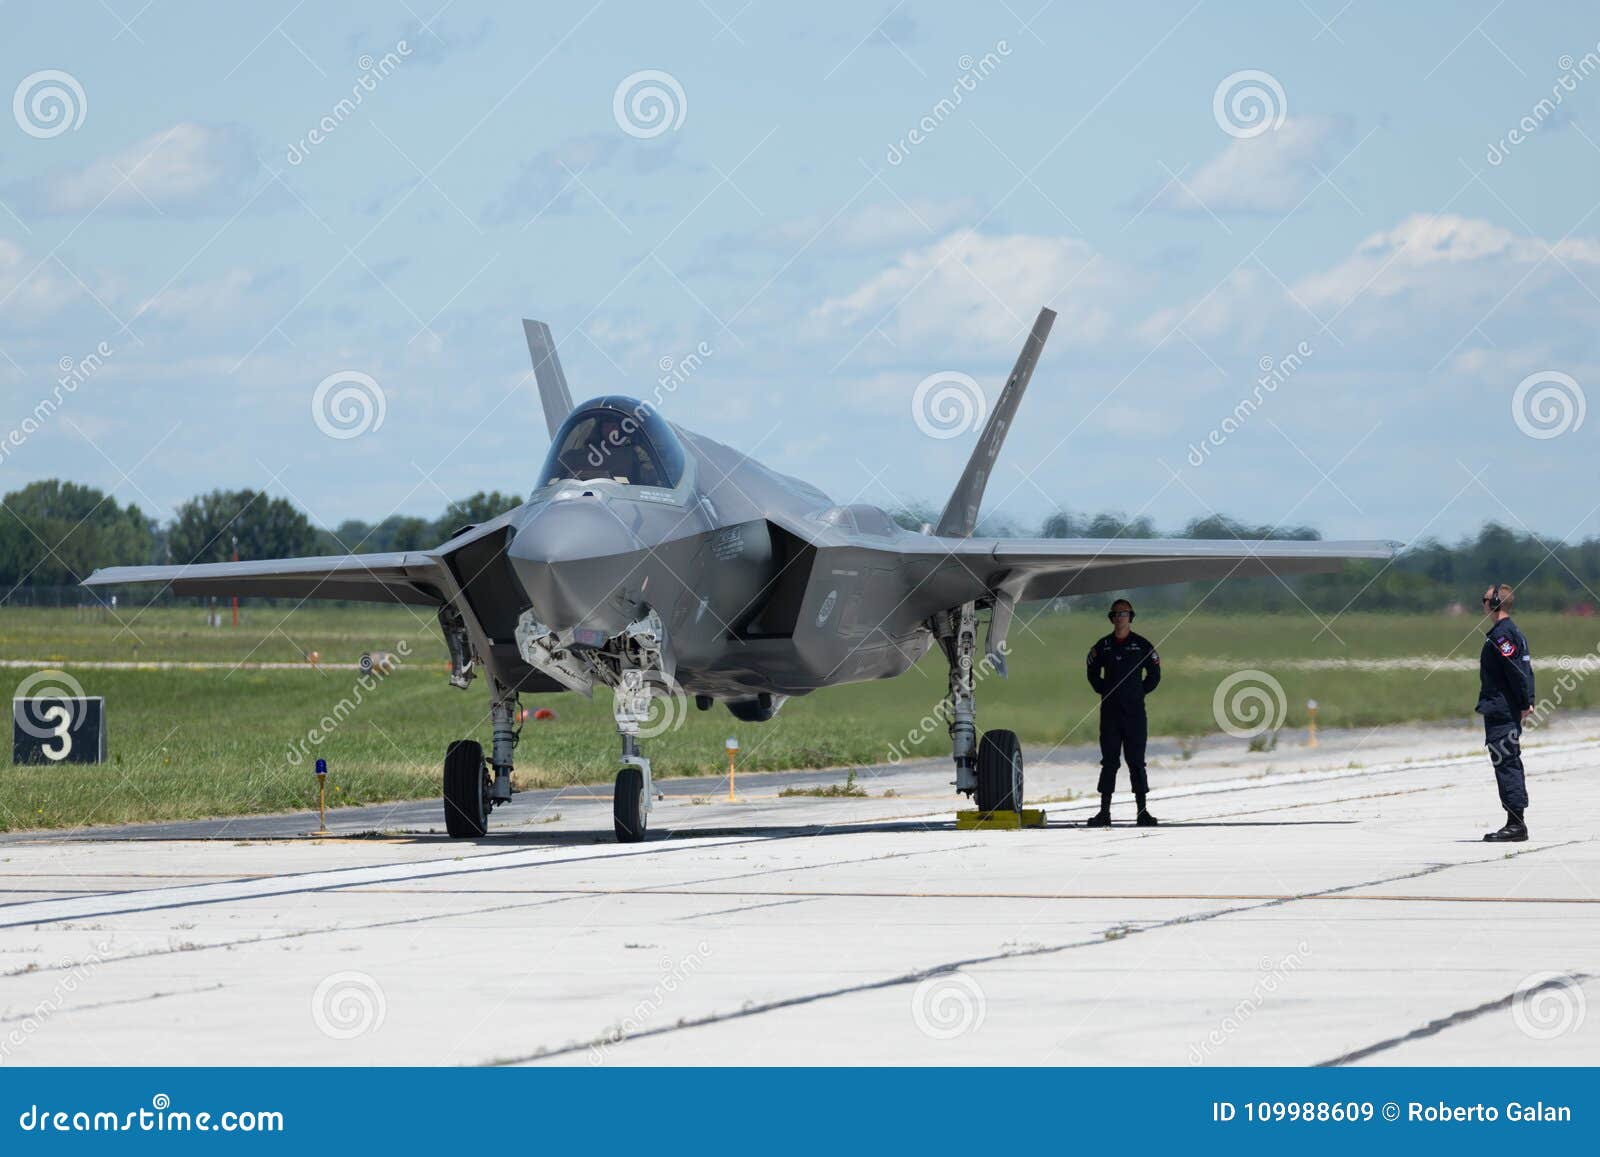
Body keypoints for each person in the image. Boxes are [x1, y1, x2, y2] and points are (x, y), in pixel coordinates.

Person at [1084, 598, 1161, 827]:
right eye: (1116, 614)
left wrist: (1138, 693)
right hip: (1110, 713)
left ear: (1131, 617)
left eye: (1124, 614)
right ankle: (1104, 812)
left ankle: (1142, 812)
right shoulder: (1103, 646)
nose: (1120, 618)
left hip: (1134, 713)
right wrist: (1105, 691)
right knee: (1109, 762)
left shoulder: (1142, 645)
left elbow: (1155, 674)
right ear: (1111, 618)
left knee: (1136, 762)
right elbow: (1091, 671)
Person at [1477, 582, 1535, 842]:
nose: (1483, 603)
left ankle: (1516, 824)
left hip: (1502, 709)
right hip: (1505, 707)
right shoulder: (1512, 632)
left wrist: (1524, 702)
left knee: (1507, 762)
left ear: (1495, 604)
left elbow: (1516, 671)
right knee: (1508, 760)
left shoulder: (1502, 635)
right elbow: (1525, 670)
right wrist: (1527, 700)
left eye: (1485, 599)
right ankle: (1515, 821)